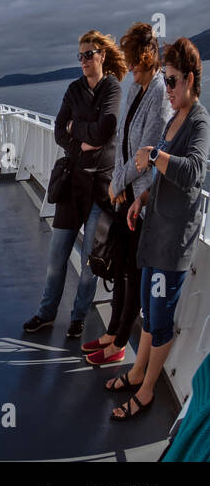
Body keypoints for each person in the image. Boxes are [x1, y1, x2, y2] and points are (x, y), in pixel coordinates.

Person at [109, 38, 207, 421]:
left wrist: (153, 155)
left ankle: (147, 390)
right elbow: (165, 178)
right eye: (164, 80)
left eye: (172, 81)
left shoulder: (199, 121)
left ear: (191, 79)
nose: (167, 88)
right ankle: (136, 372)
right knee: (148, 316)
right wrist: (142, 197)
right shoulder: (174, 118)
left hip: (172, 244)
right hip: (155, 232)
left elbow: (195, 172)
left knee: (160, 321)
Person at [23, 31, 125, 340]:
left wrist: (76, 130)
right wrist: (82, 141)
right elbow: (57, 131)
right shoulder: (74, 89)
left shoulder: (113, 88)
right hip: (72, 185)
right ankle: (46, 313)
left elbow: (106, 130)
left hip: (101, 188)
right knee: (57, 258)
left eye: (88, 54)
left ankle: (78, 317)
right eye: (79, 56)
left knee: (90, 263)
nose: (83, 60)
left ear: (102, 56)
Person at [84, 24, 171, 366]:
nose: (131, 67)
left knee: (132, 275)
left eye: (135, 61)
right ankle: (110, 333)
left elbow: (144, 152)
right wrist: (117, 185)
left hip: (141, 200)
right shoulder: (137, 88)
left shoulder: (160, 93)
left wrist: (116, 185)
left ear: (147, 57)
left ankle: (120, 342)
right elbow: (122, 141)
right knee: (119, 268)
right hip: (124, 195)